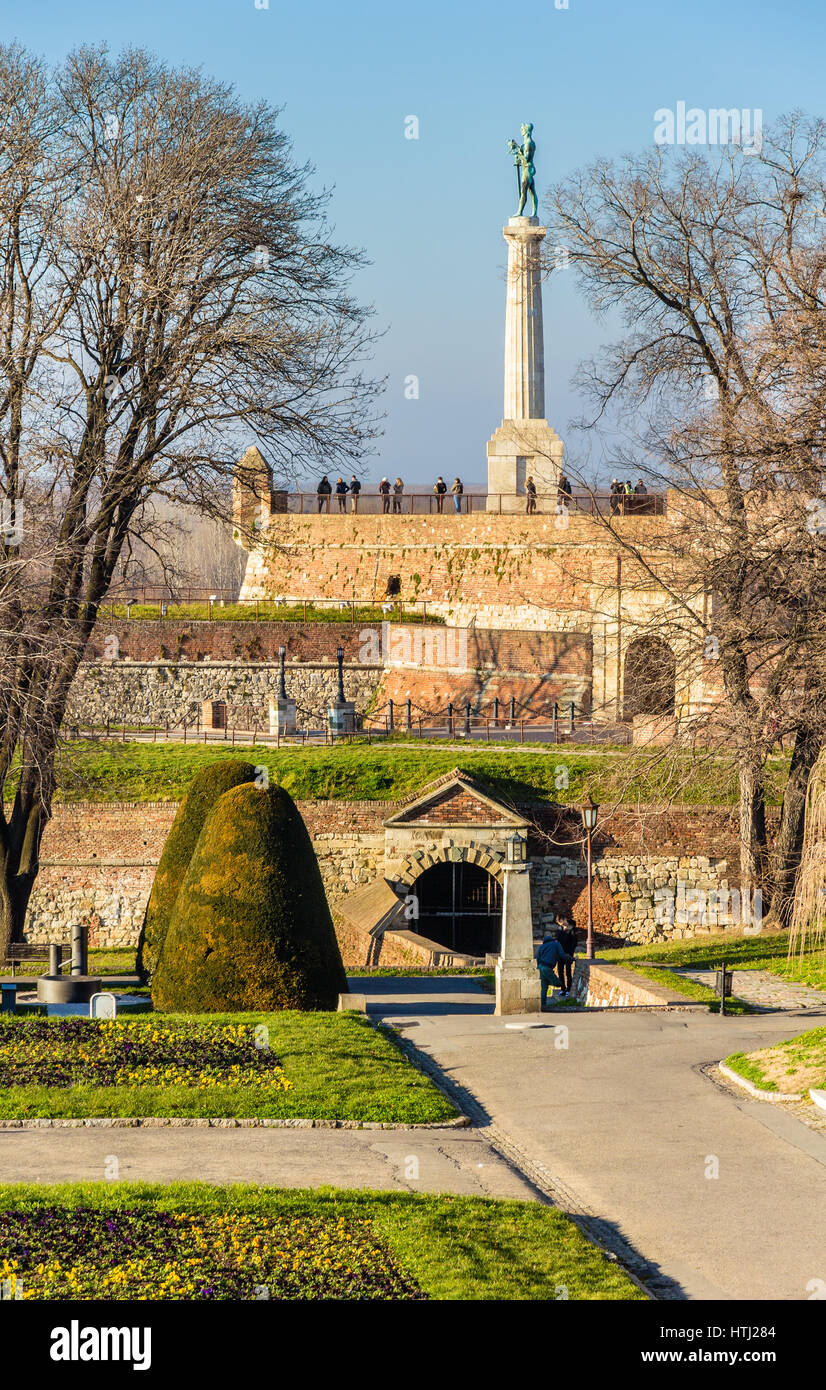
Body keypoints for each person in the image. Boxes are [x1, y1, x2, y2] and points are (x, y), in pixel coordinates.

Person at [536, 929, 572, 1009]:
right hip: (547, 967)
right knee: (559, 983)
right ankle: (550, 981)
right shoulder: (556, 944)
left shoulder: (541, 947)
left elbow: (537, 958)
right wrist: (571, 959)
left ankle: (543, 1005)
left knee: (544, 988)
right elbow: (562, 955)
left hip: (541, 967)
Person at [556, 918, 579, 997]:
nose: (561, 924)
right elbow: (557, 941)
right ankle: (563, 989)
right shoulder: (559, 930)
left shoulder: (571, 928)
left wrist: (571, 953)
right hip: (560, 954)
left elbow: (574, 942)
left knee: (568, 972)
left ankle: (568, 989)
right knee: (560, 972)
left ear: (565, 919)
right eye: (559, 923)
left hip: (568, 954)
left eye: (561, 922)